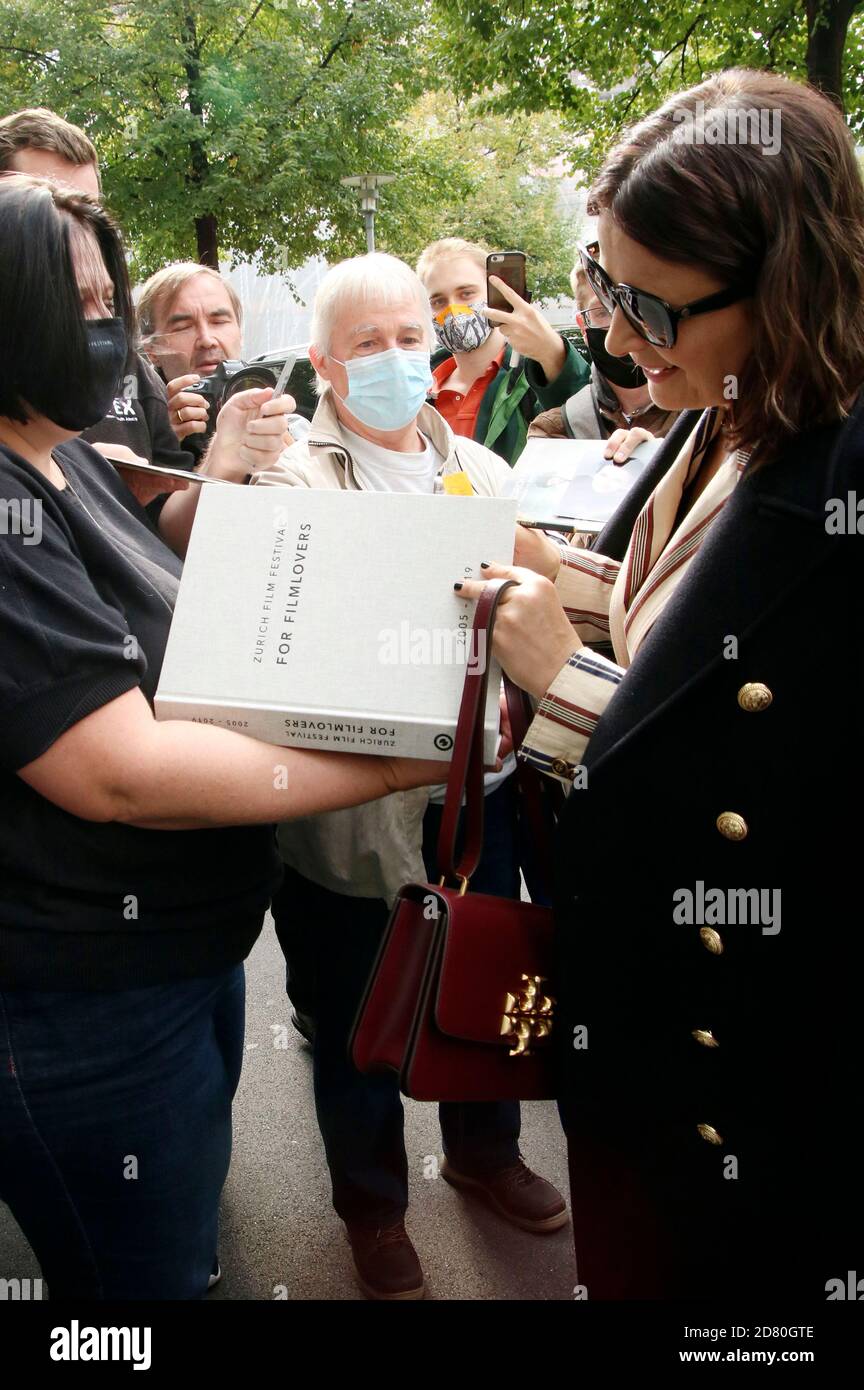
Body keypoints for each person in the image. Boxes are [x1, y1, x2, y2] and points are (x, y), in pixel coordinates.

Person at [455, 68, 864, 1299]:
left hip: (754, 1060)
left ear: (784, 289)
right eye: (604, 287)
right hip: (636, 1015)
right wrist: (552, 574)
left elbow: (778, 803)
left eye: (653, 306)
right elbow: (683, 632)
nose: (619, 339)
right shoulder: (723, 406)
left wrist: (562, 684)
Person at [0, 176, 443, 1301]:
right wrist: (394, 757)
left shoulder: (57, 455)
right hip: (84, 999)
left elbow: (171, 549)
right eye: (81, 305)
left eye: (111, 301)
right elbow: (125, 774)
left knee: (175, 1243)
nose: (111, 337)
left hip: (173, 957)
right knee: (136, 1285)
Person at [252, 252, 568, 1300]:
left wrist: (532, 562)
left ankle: (485, 1150)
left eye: (408, 337)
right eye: (366, 344)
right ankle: (374, 1208)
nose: (395, 358)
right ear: (323, 366)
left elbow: (542, 598)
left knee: (487, 973)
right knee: (352, 1017)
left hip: (479, 788)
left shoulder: (479, 466)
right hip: (353, 809)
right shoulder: (289, 483)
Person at [0, 107, 195, 509]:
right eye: (45, 199)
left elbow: (169, 510)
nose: (75, 223)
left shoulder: (124, 357)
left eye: (87, 205)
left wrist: (230, 459)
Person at [416, 237, 590, 465]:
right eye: (438, 301)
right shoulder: (418, 391)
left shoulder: (535, 379)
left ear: (495, 294)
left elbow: (585, 424)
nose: (452, 310)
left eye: (466, 294)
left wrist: (552, 352)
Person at [529, 254, 679, 446]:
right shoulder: (554, 430)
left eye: (634, 306)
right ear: (583, 326)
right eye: (603, 312)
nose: (619, 328)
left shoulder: (706, 418)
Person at [137, 261, 245, 462]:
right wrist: (164, 445)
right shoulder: (134, 432)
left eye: (219, 322)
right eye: (184, 327)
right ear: (151, 349)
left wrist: (287, 458)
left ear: (240, 332)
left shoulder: (284, 421)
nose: (206, 340)